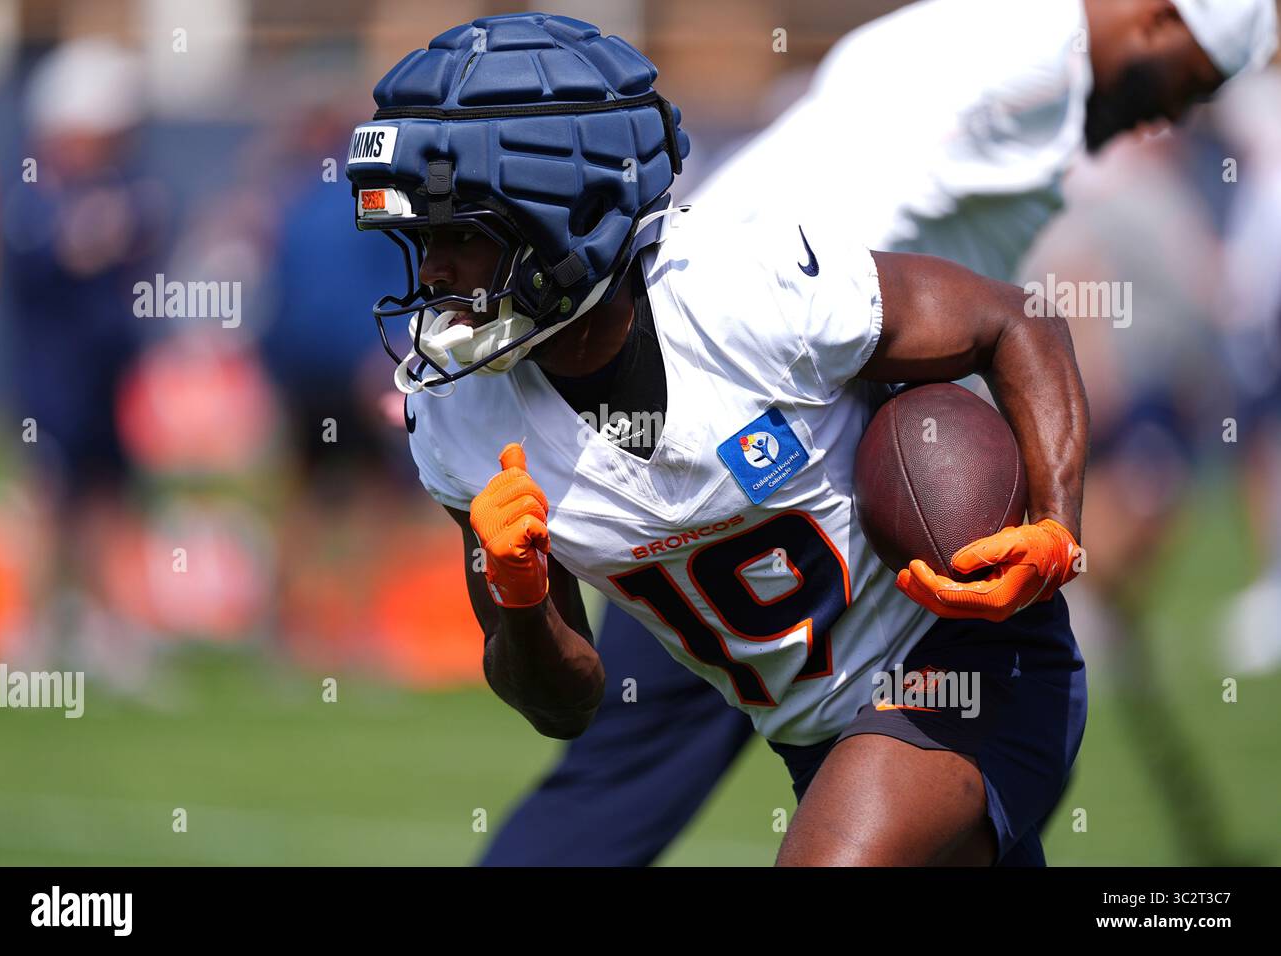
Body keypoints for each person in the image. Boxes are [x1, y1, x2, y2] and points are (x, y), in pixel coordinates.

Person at [476, 0, 1278, 865]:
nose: (1168, 116)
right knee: (641, 769)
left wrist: (1052, 515)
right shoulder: (1022, 64)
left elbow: (989, 308)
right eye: (1187, 83)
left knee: (655, 771)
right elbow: (806, 242)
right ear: (1158, 21)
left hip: (807, 464)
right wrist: (711, 363)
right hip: (776, 451)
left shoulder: (1024, 57)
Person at [345, 12, 1095, 866]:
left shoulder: (742, 287)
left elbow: (1014, 321)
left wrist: (1057, 526)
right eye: (421, 241)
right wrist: (518, 604)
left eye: (462, 236)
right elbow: (567, 704)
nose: (433, 275)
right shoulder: (458, 418)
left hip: (972, 666)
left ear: (567, 217)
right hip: (816, 741)